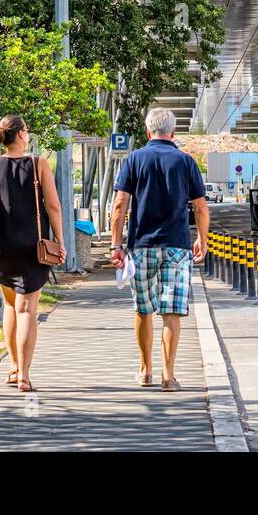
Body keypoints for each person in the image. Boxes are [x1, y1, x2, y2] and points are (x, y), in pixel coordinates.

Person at [109, 107, 209, 391]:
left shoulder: (134, 159)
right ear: (173, 132)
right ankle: (169, 375)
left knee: (143, 309)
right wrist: (202, 238)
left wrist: (117, 245)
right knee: (172, 312)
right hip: (177, 247)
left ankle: (145, 370)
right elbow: (200, 207)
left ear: (147, 131)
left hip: (141, 246)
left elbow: (119, 205)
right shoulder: (186, 162)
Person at [0, 114, 65, 393]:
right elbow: (53, 207)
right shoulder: (39, 165)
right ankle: (25, 375)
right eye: (27, 130)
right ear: (22, 135)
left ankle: (14, 367)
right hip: (33, 246)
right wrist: (60, 241)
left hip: (0, 248)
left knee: (12, 307)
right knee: (28, 309)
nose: (29, 133)